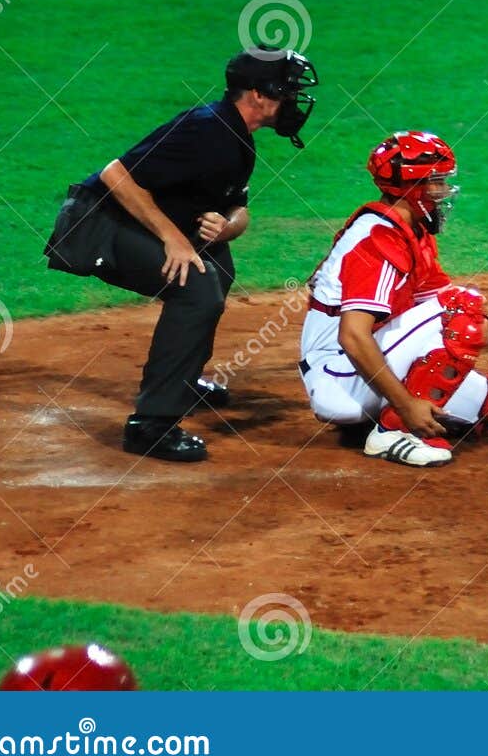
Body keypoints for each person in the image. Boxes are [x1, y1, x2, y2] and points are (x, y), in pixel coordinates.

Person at [47, 48, 318, 462]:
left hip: (131, 223)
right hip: (97, 224)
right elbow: (114, 175)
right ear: (258, 95)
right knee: (196, 288)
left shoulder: (238, 136)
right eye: (287, 92)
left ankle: (183, 382)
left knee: (217, 265)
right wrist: (174, 238)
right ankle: (150, 425)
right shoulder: (207, 130)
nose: (294, 103)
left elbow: (238, 209)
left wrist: (226, 227)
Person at [298, 131, 488, 468]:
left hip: (363, 366)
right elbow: (352, 336)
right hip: (337, 375)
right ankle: (393, 430)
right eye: (436, 182)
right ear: (410, 187)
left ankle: (384, 412)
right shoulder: (377, 239)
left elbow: (437, 312)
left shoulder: (411, 232)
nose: (443, 191)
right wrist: (407, 405)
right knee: (463, 303)